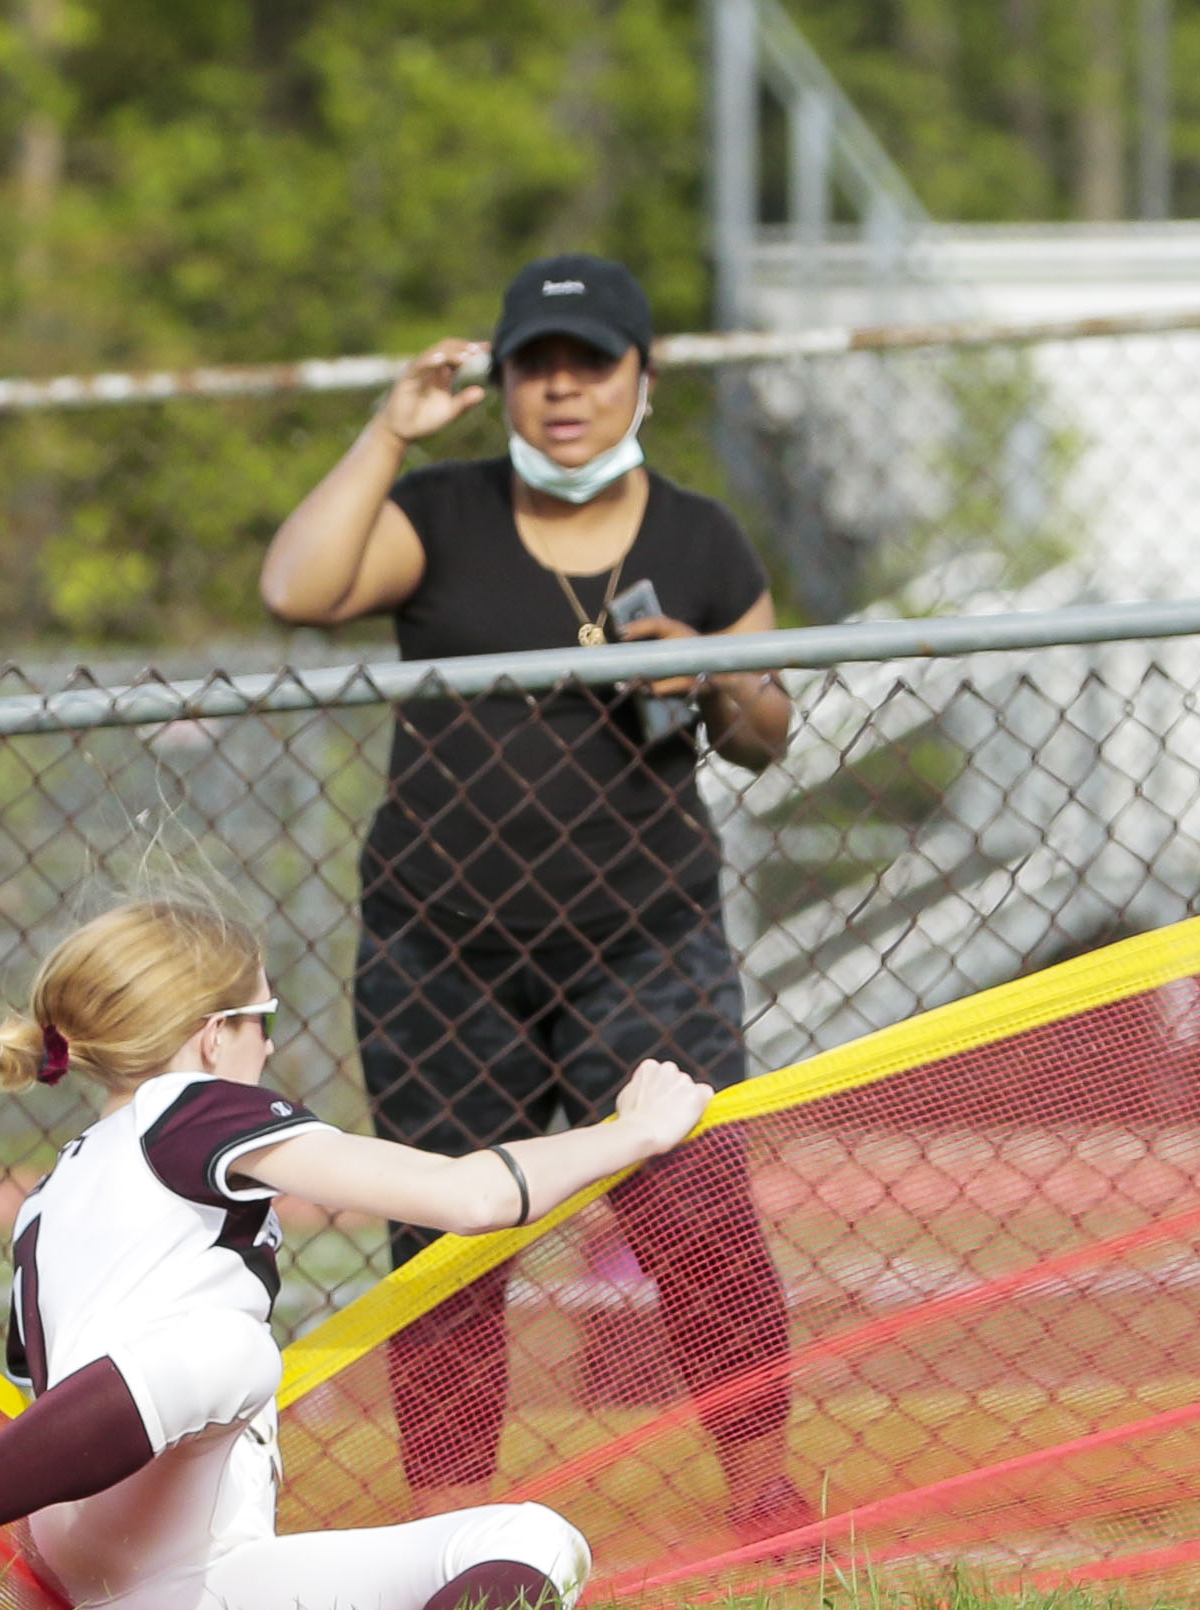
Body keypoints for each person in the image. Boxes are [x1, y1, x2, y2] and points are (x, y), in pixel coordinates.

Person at [257, 252, 807, 1543]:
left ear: (641, 380)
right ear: (499, 380)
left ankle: (761, 1498)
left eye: (590, 366)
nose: (562, 393)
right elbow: (296, 588)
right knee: (449, 1246)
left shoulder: (699, 536)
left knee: (698, 1217)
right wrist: (386, 432)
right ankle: (455, 1533)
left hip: (643, 945)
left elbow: (771, 728)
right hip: (440, 954)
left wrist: (714, 674)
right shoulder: (439, 511)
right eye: (534, 368)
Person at [0, 872, 714, 1610]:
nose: (272, 1045)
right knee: (237, 1349)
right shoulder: (196, 1106)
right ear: (213, 1037)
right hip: (174, 1563)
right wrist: (630, 1131)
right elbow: (471, 1198)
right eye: (263, 1018)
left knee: (532, 1538)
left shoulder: (51, 1192)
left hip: (113, 1593)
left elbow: (51, 1414)